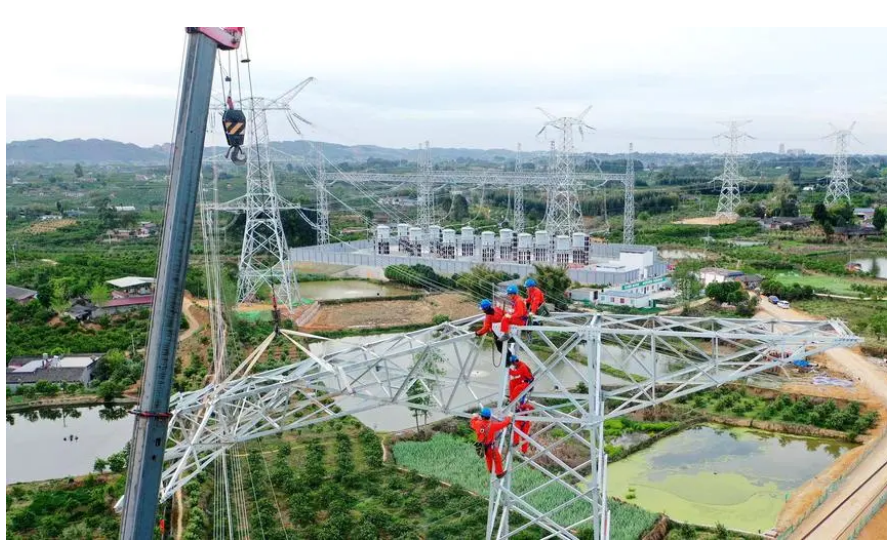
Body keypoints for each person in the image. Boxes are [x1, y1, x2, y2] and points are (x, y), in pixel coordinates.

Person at [470, 407, 512, 478]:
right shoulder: (493, 425)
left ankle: (490, 470)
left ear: (482, 416)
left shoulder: (477, 423)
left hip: (482, 446)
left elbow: (472, 423)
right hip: (490, 447)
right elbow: (504, 423)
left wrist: (474, 417)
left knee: (488, 458)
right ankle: (499, 473)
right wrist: (509, 417)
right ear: (489, 417)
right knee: (497, 458)